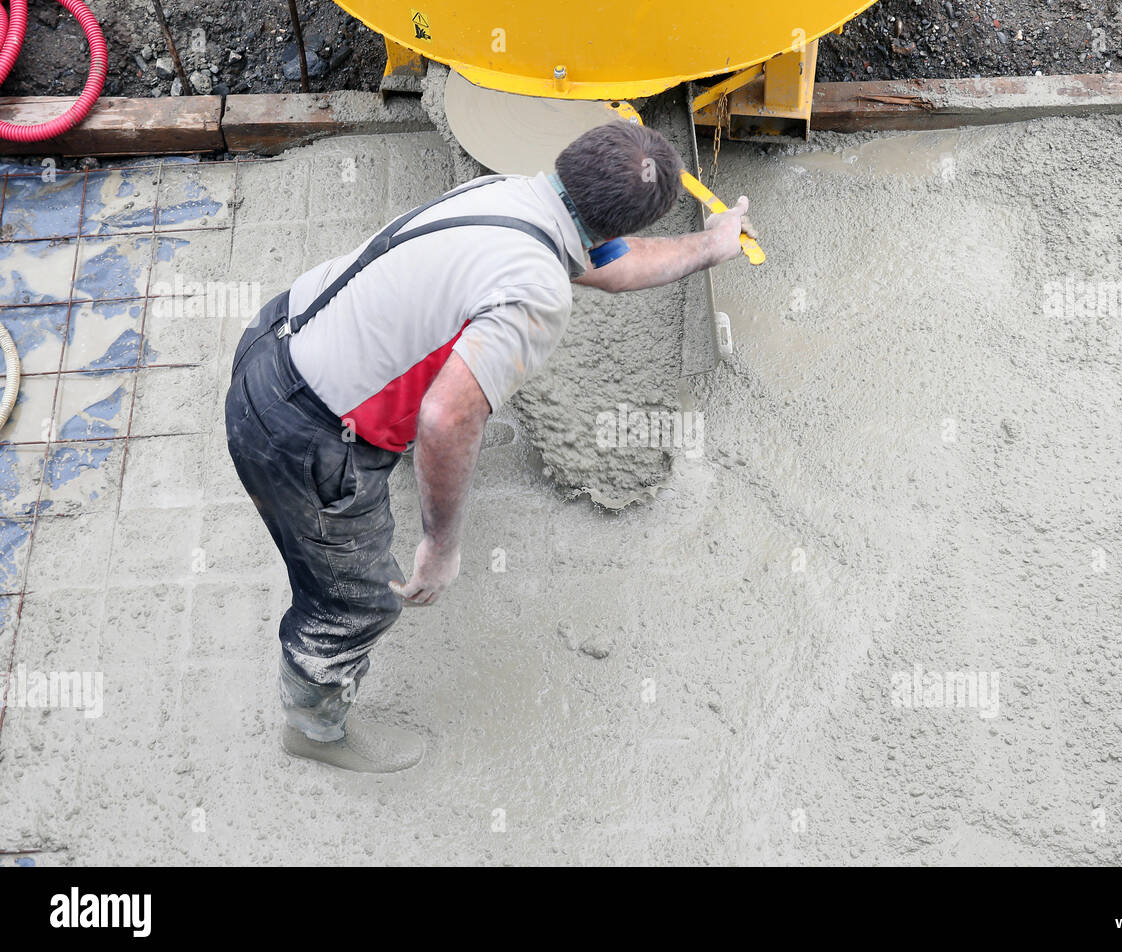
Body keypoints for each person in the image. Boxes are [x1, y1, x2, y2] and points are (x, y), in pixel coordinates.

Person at [224, 120, 755, 772]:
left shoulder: (515, 196)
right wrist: (440, 546)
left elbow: (611, 266)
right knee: (356, 601)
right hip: (299, 433)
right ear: (609, 226)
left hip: (275, 337)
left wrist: (711, 244)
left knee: (430, 406)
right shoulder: (536, 286)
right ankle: (313, 726)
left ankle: (376, 470)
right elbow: (448, 419)